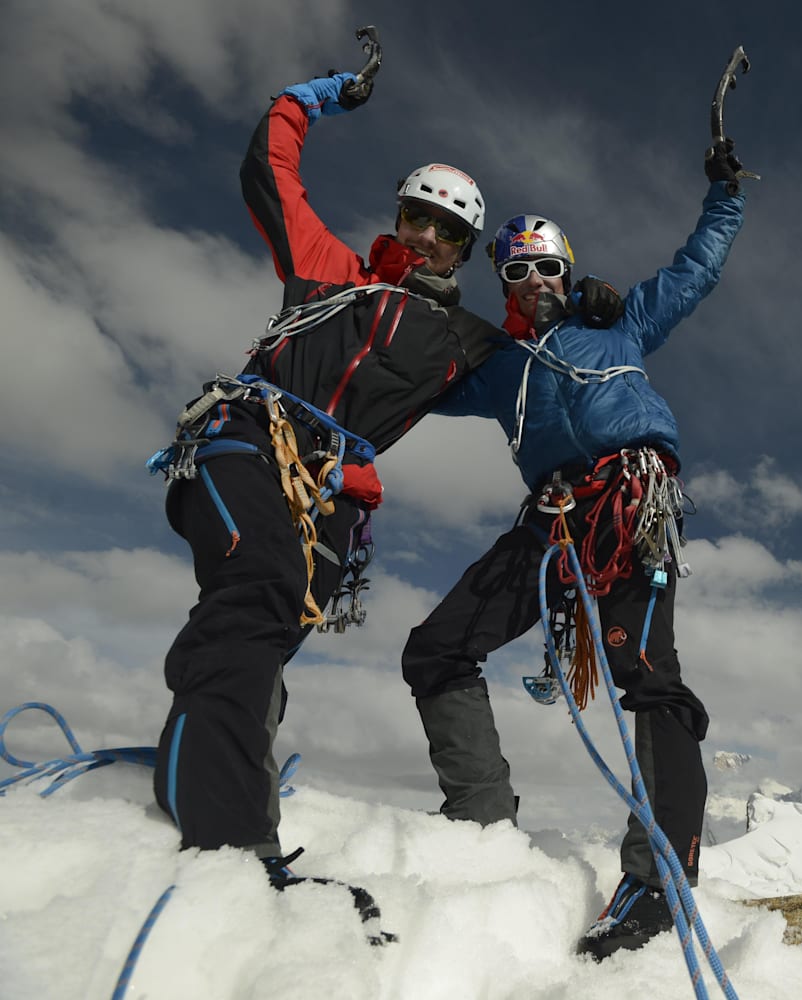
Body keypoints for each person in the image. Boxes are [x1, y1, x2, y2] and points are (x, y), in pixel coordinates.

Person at [146, 68, 619, 934]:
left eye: (447, 231)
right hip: (249, 438)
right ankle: (226, 845)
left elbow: (537, 358)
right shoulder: (330, 270)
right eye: (417, 218)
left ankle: (217, 777)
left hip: (328, 496)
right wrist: (311, 98)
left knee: (270, 624)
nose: (428, 236)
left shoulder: (464, 342)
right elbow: (268, 170)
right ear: (397, 218)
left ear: (464, 251)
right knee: (254, 595)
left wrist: (579, 308)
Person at [401, 140, 752, 958]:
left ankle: (659, 884)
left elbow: (693, 272)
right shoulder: (498, 369)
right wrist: (403, 295)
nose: (534, 284)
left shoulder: (620, 327)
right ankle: (480, 825)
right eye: (517, 274)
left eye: (547, 269)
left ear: (568, 272)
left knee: (649, 680)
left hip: (627, 504)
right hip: (549, 521)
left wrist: (725, 194)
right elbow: (412, 372)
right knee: (438, 651)